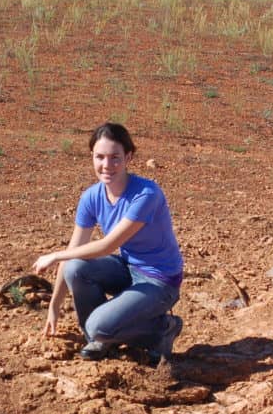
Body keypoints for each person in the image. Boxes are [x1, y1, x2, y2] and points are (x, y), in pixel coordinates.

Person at [32, 122, 184, 365]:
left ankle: (162, 329)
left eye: (115, 157)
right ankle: (101, 337)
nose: (106, 165)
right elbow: (74, 252)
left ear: (129, 157)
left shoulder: (146, 194)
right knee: (75, 268)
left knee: (98, 325)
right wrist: (54, 305)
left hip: (159, 280)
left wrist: (55, 255)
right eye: (100, 157)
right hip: (127, 268)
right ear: (91, 156)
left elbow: (106, 246)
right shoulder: (92, 197)